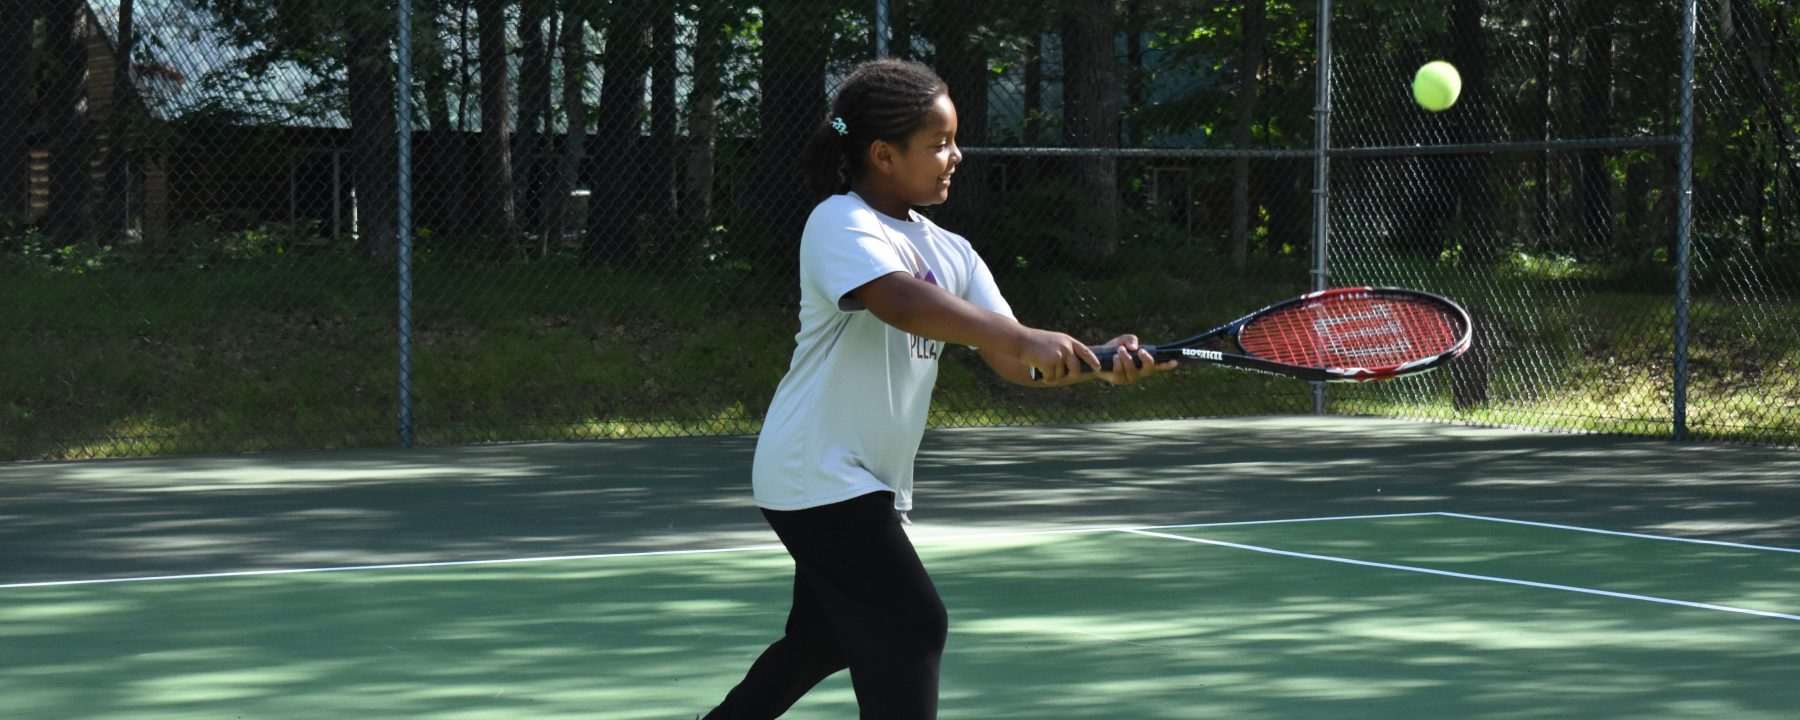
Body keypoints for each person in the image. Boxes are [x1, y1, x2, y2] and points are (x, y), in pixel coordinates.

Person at [700, 58, 1173, 720]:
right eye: (939, 143)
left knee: (823, 637)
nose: (956, 156)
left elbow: (1011, 358)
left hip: (860, 478)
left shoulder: (953, 251)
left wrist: (1093, 360)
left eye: (955, 140)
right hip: (816, 469)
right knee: (912, 622)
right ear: (883, 154)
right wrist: (1027, 335)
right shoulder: (841, 223)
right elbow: (900, 302)